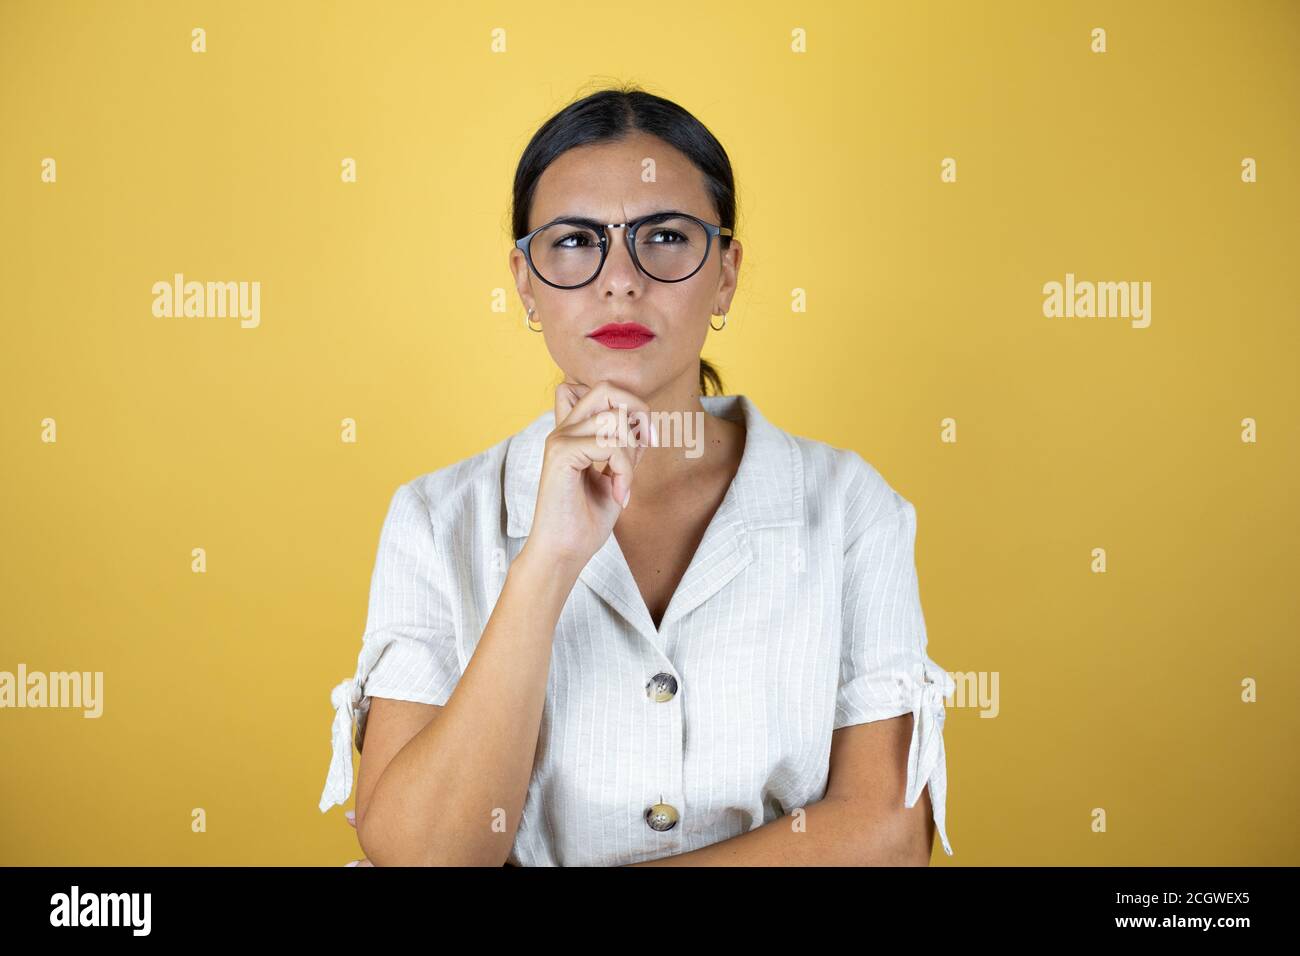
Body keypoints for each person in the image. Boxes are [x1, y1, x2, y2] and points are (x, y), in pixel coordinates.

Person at [318, 84, 956, 867]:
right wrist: (546, 562)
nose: (620, 278)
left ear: (725, 272)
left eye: (663, 236)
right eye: (576, 242)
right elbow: (421, 855)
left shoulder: (850, 507)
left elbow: (886, 840)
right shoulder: (434, 518)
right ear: (524, 281)